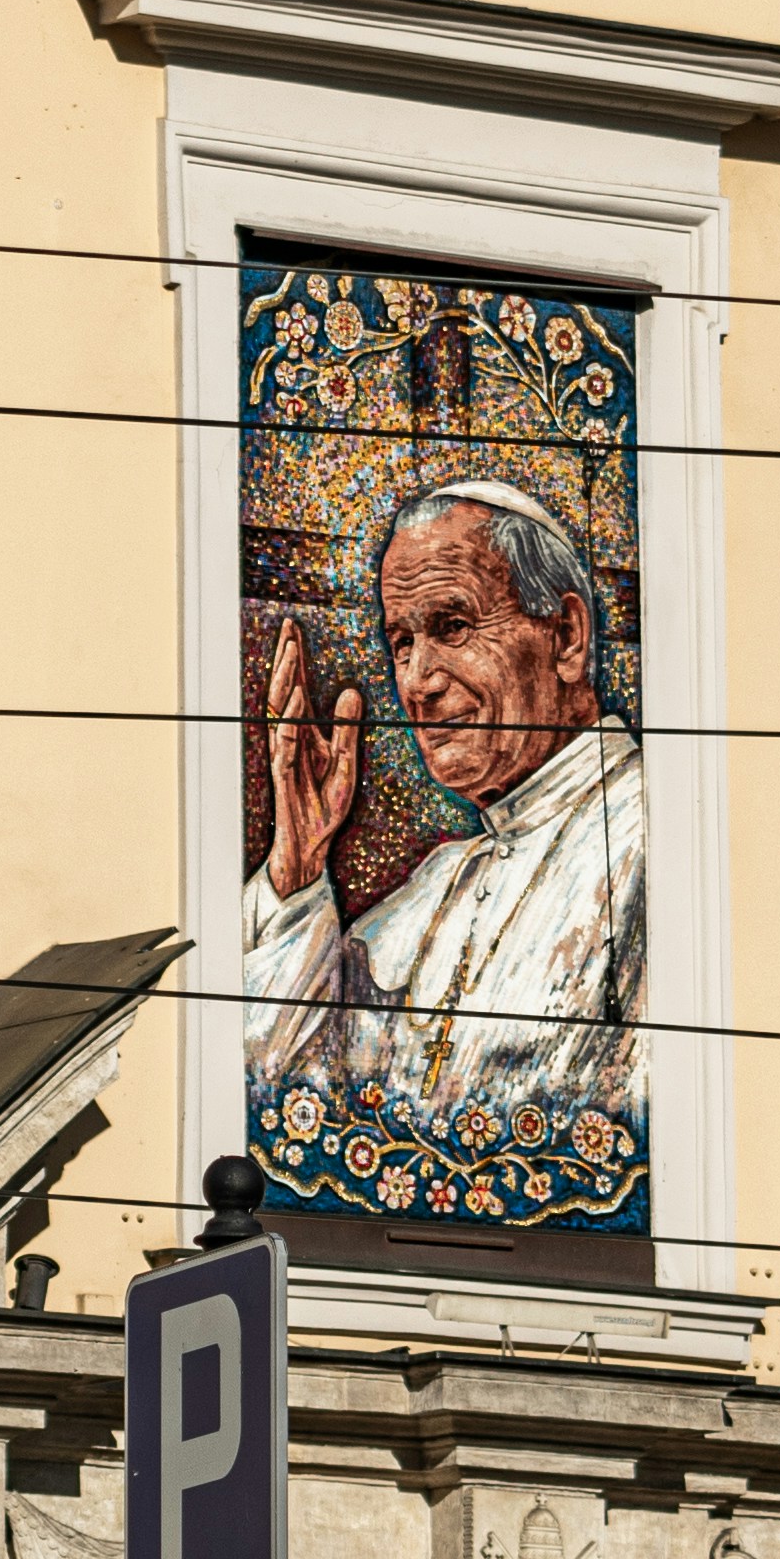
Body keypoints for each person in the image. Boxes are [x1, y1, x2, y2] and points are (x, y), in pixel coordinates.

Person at [247, 478, 644, 1217]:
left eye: (453, 626)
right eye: (402, 643)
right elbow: (278, 1095)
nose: (419, 683)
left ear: (566, 637)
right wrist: (297, 873)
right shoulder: (435, 888)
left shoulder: (653, 837)